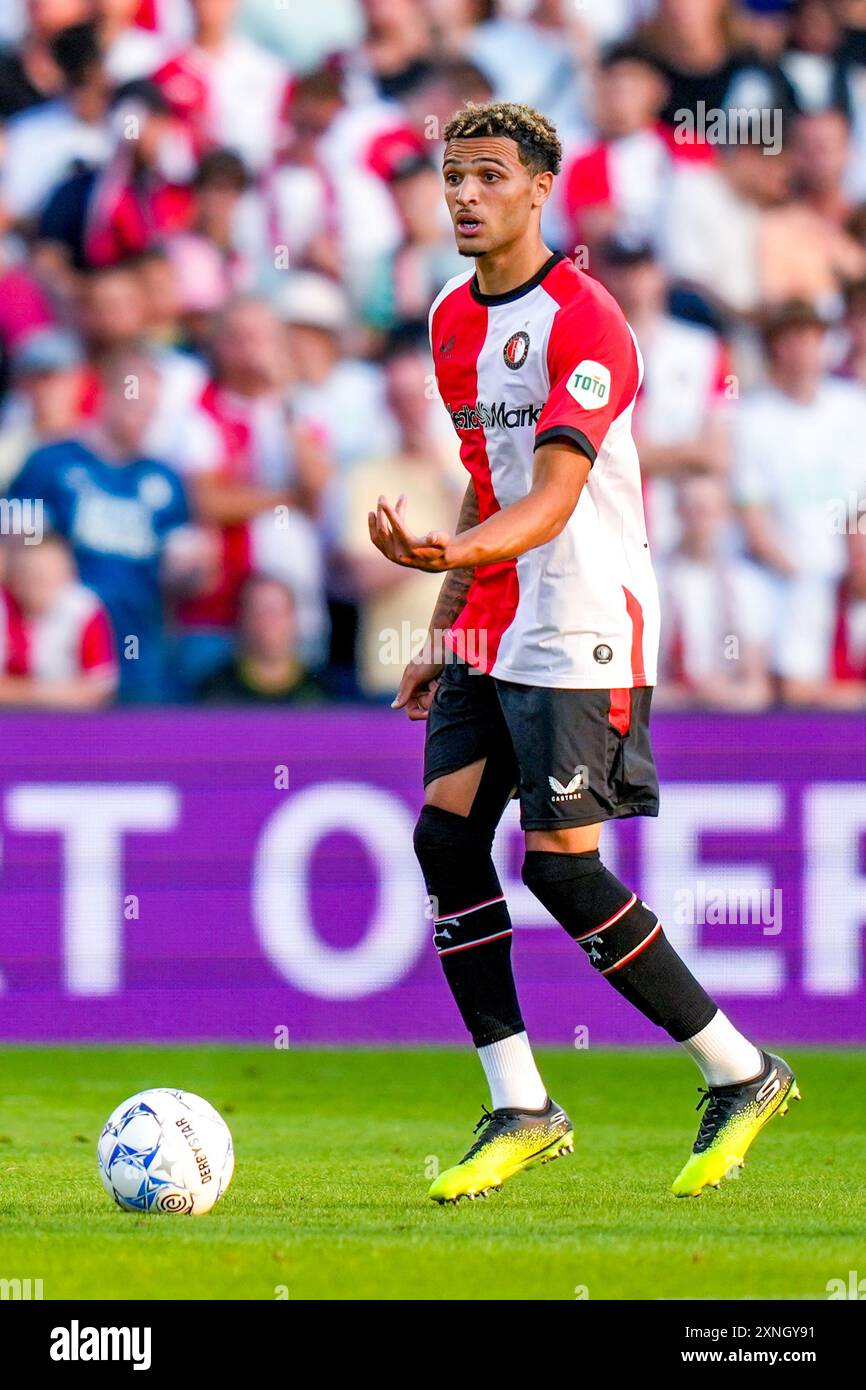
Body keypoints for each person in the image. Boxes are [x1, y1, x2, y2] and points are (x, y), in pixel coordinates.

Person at [368, 99, 800, 1205]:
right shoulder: (448, 318)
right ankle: (519, 1100)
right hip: (492, 614)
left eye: (487, 175)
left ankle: (737, 1069)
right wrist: (444, 619)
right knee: (443, 840)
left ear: (536, 189)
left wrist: (444, 552)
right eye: (451, 174)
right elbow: (489, 475)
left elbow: (554, 497)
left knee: (559, 864)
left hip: (580, 621)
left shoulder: (586, 318)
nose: (462, 193)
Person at [6, 350, 204, 701]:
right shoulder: (52, 463)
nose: (141, 418)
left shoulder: (164, 480)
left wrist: (193, 568)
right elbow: (12, 544)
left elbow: (182, 577)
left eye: (150, 409)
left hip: (137, 640)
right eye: (134, 403)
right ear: (106, 396)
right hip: (62, 635)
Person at [0, 530, 117, 708]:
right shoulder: (4, 606)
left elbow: (98, 691)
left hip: (68, 722)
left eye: (45, 576)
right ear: (13, 576)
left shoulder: (86, 610)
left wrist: (23, 691)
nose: (36, 585)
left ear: (68, 575)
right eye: (28, 575)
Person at [197, 573, 328, 705]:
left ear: (293, 619)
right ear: (242, 618)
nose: (267, 622)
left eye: (275, 611)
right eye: (258, 612)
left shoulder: (322, 692)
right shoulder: (216, 693)